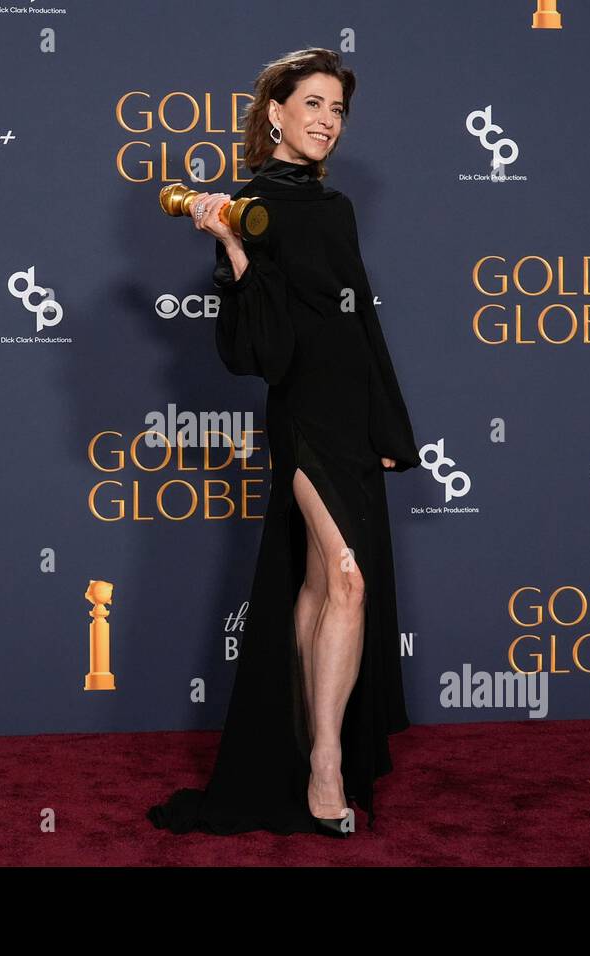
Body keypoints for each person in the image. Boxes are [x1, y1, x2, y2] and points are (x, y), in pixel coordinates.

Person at [146, 48, 420, 838]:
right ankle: (327, 767)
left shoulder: (333, 210)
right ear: (275, 113)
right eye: (313, 105)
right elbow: (254, 353)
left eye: (337, 110)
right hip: (303, 415)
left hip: (353, 410)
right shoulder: (249, 204)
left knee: (321, 587)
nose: (327, 121)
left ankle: (308, 748)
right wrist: (232, 251)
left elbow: (361, 320)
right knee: (347, 580)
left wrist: (390, 426)